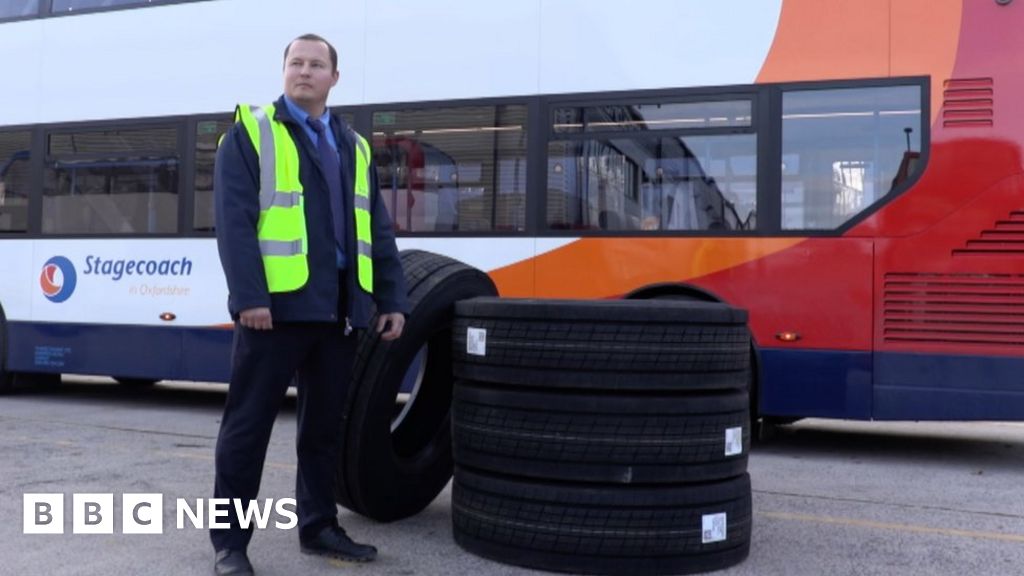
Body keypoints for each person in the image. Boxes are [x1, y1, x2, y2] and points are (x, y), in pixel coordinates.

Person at [210, 33, 409, 576]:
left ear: (334, 79)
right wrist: (249, 296)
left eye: (316, 64)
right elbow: (234, 224)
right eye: (296, 62)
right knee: (247, 430)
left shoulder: (354, 145)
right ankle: (230, 545)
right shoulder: (251, 134)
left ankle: (318, 526)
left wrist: (390, 297)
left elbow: (377, 230)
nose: (304, 71)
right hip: (273, 311)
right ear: (283, 71)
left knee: (323, 430)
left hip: (340, 311)